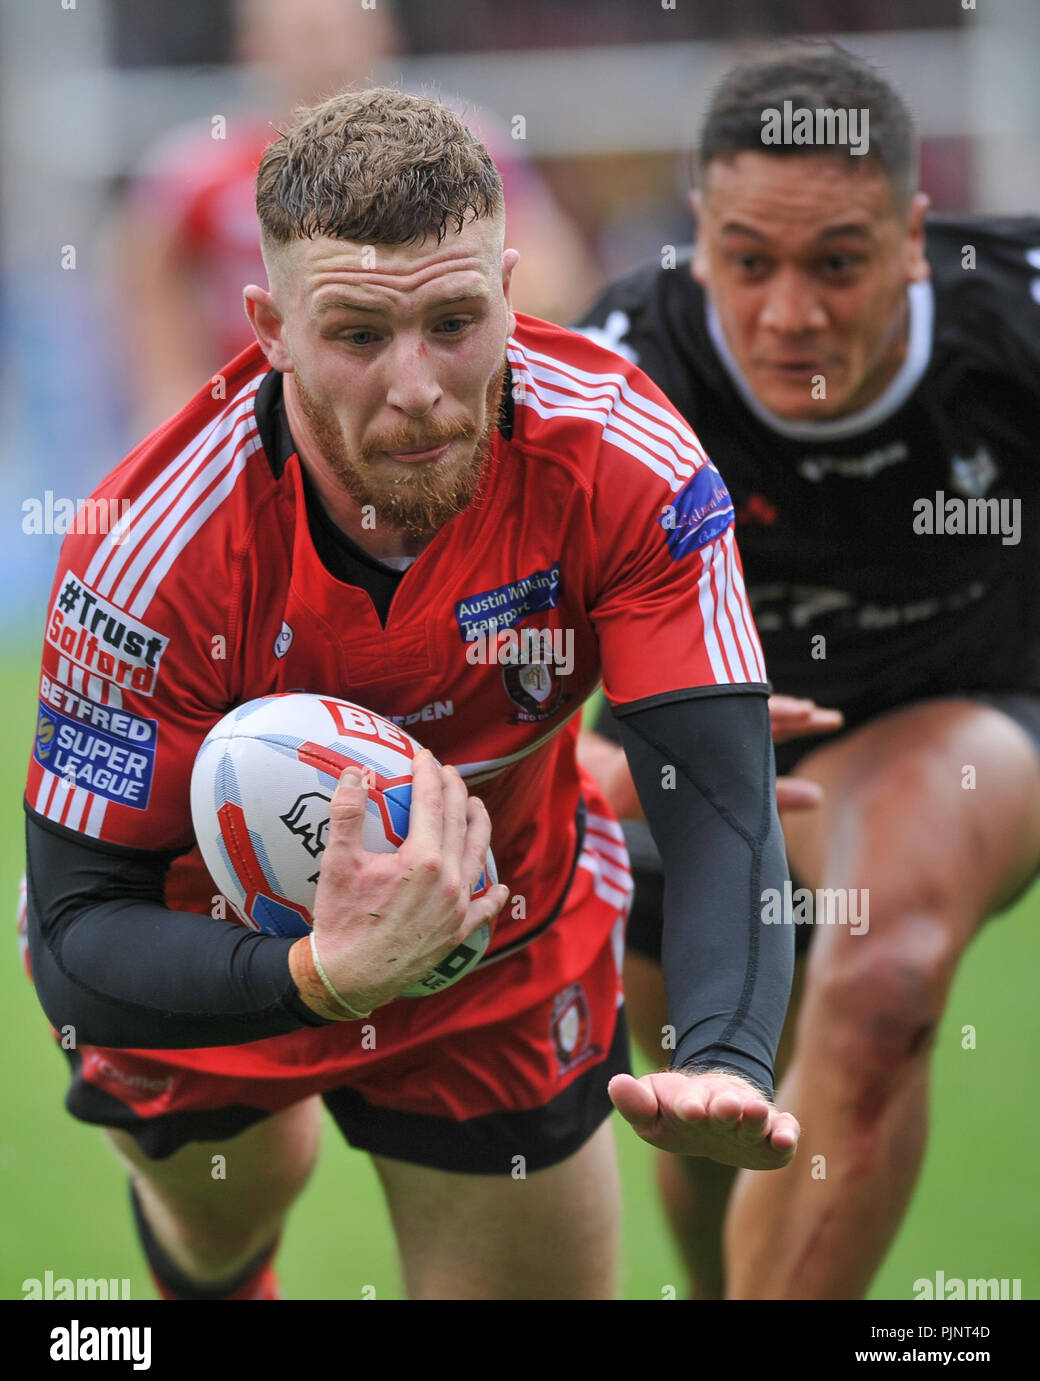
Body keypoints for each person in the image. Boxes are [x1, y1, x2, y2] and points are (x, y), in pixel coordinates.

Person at [24, 87, 799, 1302]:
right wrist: (321, 977)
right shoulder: (146, 548)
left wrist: (719, 1057)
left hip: (498, 946)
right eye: (356, 335)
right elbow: (75, 937)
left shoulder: (628, 464)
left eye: (453, 320)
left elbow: (719, 809)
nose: (419, 387)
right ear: (268, 327)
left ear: (509, 286)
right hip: (200, 941)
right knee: (234, 1209)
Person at [575, 43, 1040, 1299]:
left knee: (882, 969)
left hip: (955, 721)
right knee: (708, 1121)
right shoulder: (611, 379)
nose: (789, 314)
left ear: (908, 234)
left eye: (836, 261)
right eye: (746, 260)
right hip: (688, 762)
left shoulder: (1015, 325)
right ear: (698, 232)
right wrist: (578, 762)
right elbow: (477, 657)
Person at [117, 0, 597, 434]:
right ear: (253, 49)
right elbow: (147, 280)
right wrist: (175, 394)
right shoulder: (198, 170)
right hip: (262, 423)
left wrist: (481, 363)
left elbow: (550, 273)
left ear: (384, 37)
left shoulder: (464, 145)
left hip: (430, 404)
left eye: (339, 32)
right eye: (305, 36)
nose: (324, 54)